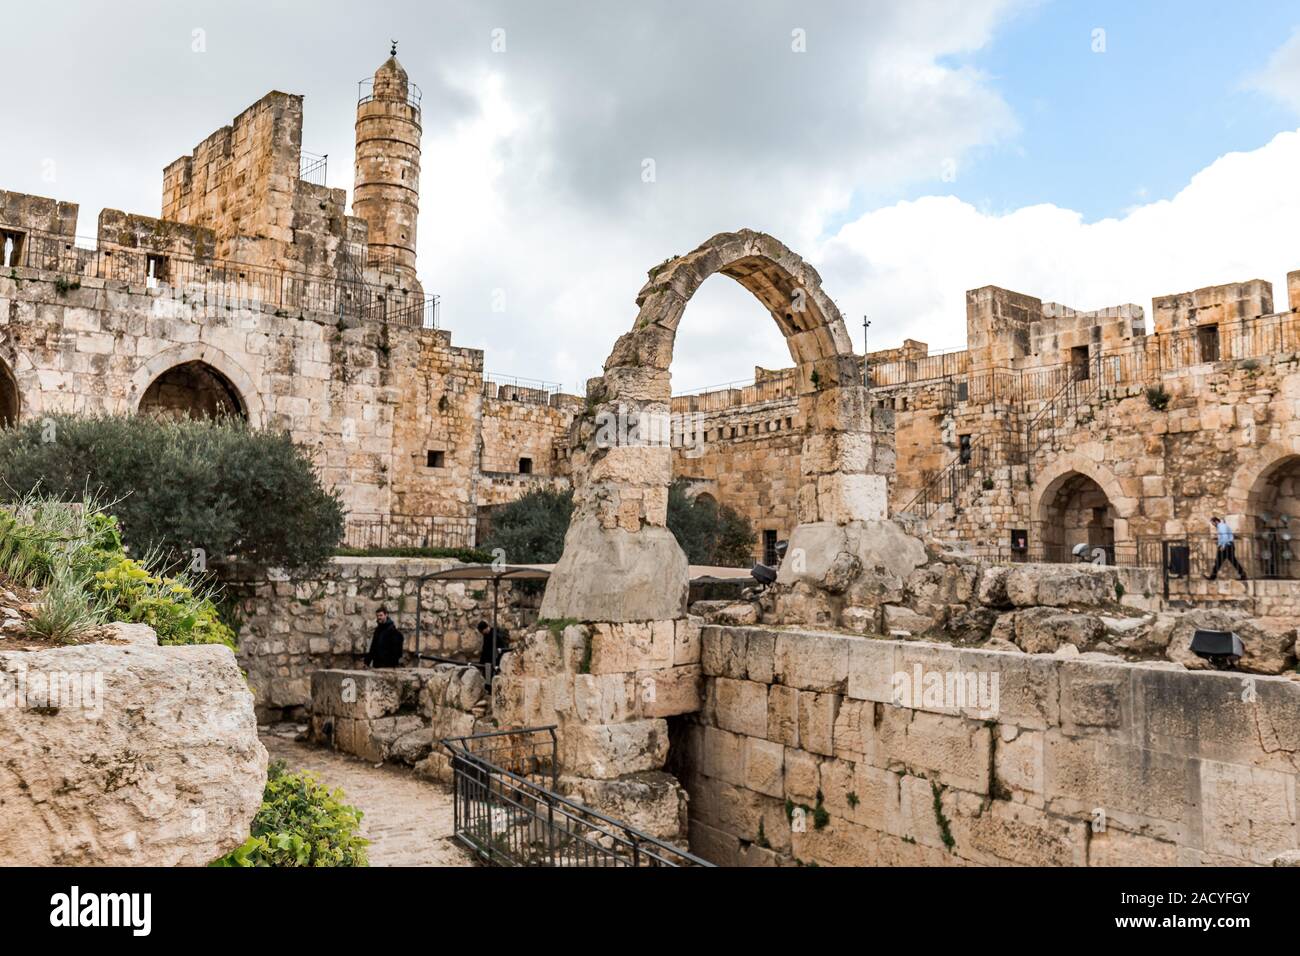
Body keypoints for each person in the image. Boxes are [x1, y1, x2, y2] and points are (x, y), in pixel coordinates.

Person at [1206, 516, 1247, 581]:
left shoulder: (1222, 526)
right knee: (1229, 561)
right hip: (1228, 546)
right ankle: (1243, 575)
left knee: (1219, 562)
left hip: (1226, 546)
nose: (1213, 525)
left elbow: (1225, 536)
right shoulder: (1221, 526)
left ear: (1216, 521)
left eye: (1213, 523)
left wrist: (1223, 546)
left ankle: (1212, 577)